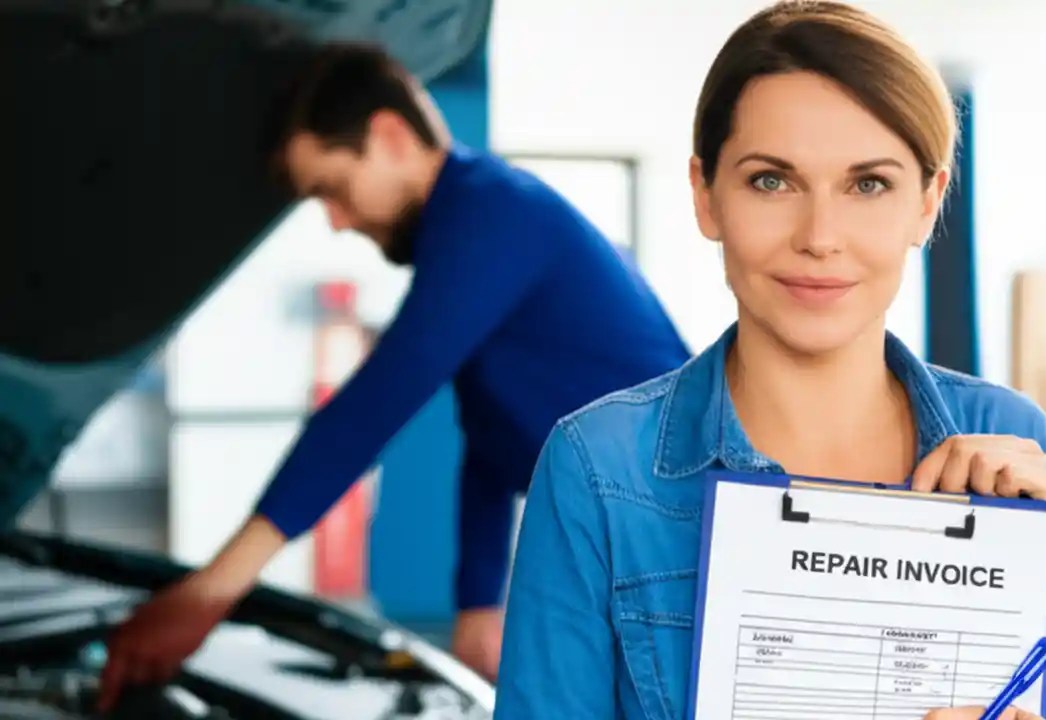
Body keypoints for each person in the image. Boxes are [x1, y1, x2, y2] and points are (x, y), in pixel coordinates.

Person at [493, 2, 1046, 719]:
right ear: (705, 195)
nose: (819, 236)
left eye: (868, 184)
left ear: (928, 203)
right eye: (771, 181)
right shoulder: (599, 467)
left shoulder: (1017, 443)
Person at [96, 41, 691, 711]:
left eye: (332, 189)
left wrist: (209, 593)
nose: (337, 221)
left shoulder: (494, 213)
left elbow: (372, 407)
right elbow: (490, 442)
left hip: (681, 545)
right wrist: (477, 603)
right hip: (631, 544)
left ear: (390, 137)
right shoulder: (471, 228)